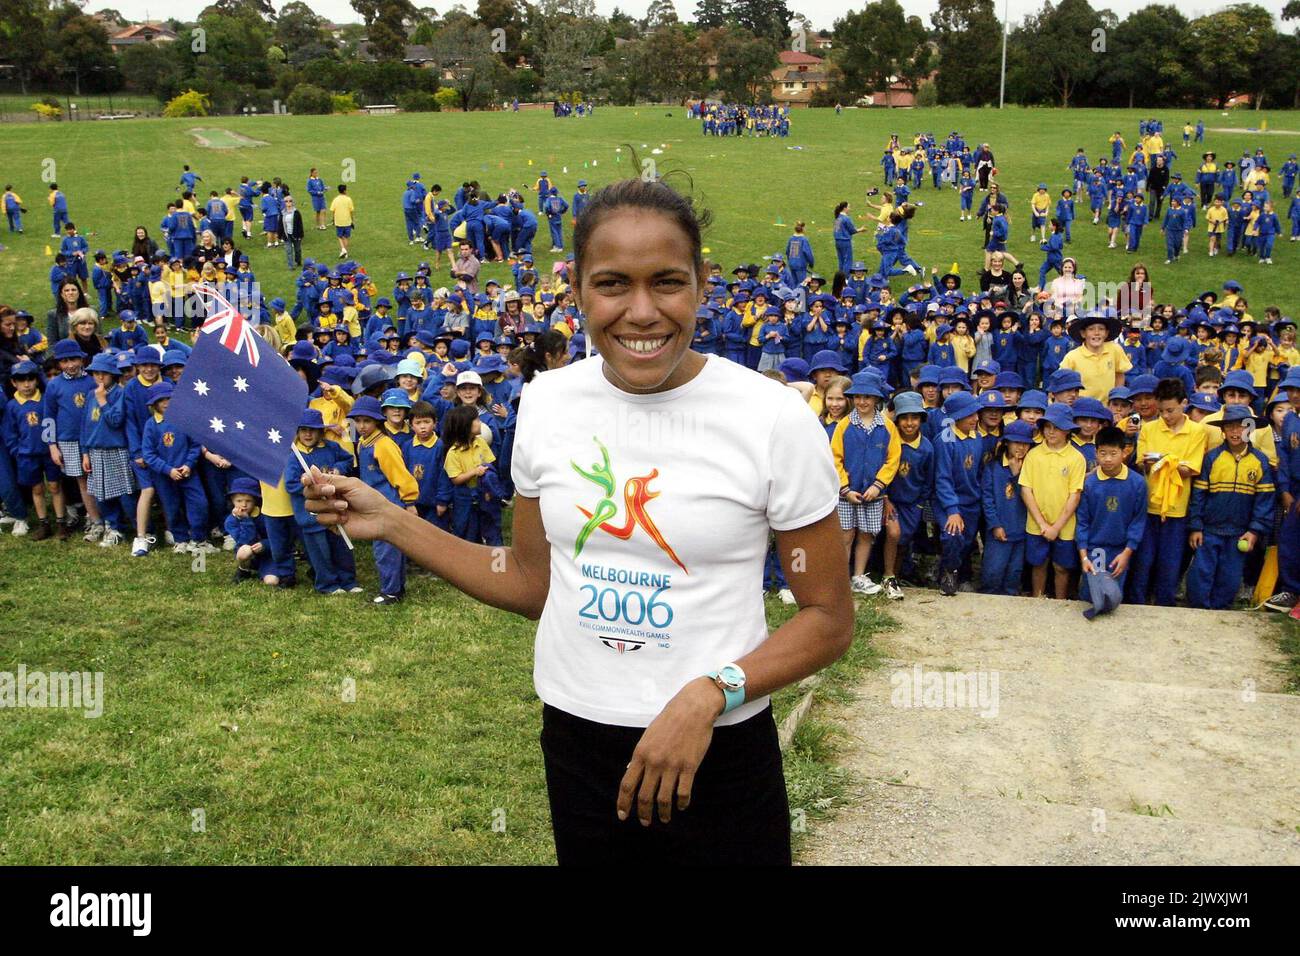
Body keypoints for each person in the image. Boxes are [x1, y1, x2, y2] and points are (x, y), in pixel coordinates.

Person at [301, 177, 853, 865]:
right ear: (579, 293)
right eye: (614, 284)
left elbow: (827, 617)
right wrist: (392, 522)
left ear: (703, 285)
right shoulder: (548, 403)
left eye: (669, 283)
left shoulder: (770, 419)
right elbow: (533, 579)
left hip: (717, 747)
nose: (643, 312)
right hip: (578, 742)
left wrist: (713, 692)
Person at [1185, 405, 1275, 610]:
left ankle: (1220, 611)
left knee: (1231, 575)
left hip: (1240, 533)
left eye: (1241, 427)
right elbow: (1198, 495)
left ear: (1250, 430)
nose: (1236, 432)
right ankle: (1198, 609)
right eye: (1230, 427)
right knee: (1201, 572)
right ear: (1222, 431)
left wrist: (1254, 531)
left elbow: (1265, 501)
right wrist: (1196, 526)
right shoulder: (1212, 458)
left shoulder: (1260, 461)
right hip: (1209, 530)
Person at [1129, 378, 1208, 606]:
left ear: (1184, 403)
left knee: (1170, 562)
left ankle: (1165, 604)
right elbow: (1143, 463)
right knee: (1143, 559)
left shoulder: (1196, 431)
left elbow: (1190, 469)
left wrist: (1162, 461)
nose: (1166, 415)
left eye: (1171, 410)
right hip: (1149, 504)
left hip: (1177, 508)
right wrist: (1171, 462)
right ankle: (1137, 603)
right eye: (1162, 410)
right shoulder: (1149, 429)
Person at [1075, 425, 1147, 610]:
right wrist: (1084, 556)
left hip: (1121, 550)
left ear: (1124, 452)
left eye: (1113, 453)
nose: (1107, 459)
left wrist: (1127, 552)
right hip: (1094, 548)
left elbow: (1137, 522)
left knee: (1113, 595)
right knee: (1091, 595)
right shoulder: (1090, 483)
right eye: (1102, 453)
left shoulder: (1137, 483)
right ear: (1096, 453)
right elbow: (1082, 521)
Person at [1020, 403, 1086, 598]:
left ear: (1067, 430)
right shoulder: (1033, 455)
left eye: (1057, 427)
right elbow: (1026, 489)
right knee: (1038, 564)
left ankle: (1060, 601)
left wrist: (1056, 526)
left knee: (1061, 567)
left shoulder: (1076, 458)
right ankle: (1037, 599)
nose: (1051, 431)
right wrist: (1041, 523)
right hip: (1036, 523)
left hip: (1064, 525)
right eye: (1047, 426)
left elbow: (1075, 495)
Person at [279, 195, 305, 269]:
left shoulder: (296, 212)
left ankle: (298, 261)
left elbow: (300, 224)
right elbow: (280, 224)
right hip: (287, 235)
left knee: (297, 250)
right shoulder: (282, 213)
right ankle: (291, 265)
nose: (288, 202)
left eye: (290, 201)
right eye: (286, 201)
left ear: (293, 202)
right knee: (289, 251)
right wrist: (280, 235)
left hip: (296, 234)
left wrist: (301, 235)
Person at [330, 184, 355, 260]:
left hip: (339, 221)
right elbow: (351, 211)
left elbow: (333, 210)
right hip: (347, 221)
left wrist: (333, 219)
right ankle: (345, 251)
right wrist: (352, 219)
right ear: (344, 190)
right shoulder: (348, 199)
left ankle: (343, 250)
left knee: (340, 236)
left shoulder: (336, 199)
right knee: (346, 237)